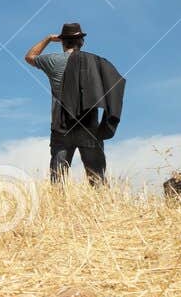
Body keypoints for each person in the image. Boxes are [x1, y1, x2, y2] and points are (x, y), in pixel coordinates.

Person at [23, 22, 126, 185]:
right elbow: (116, 83)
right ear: (82, 42)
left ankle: (57, 210)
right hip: (90, 128)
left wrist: (49, 38)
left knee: (58, 181)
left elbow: (29, 57)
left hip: (61, 129)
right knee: (97, 180)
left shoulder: (53, 61)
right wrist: (107, 121)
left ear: (62, 42)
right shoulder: (95, 63)